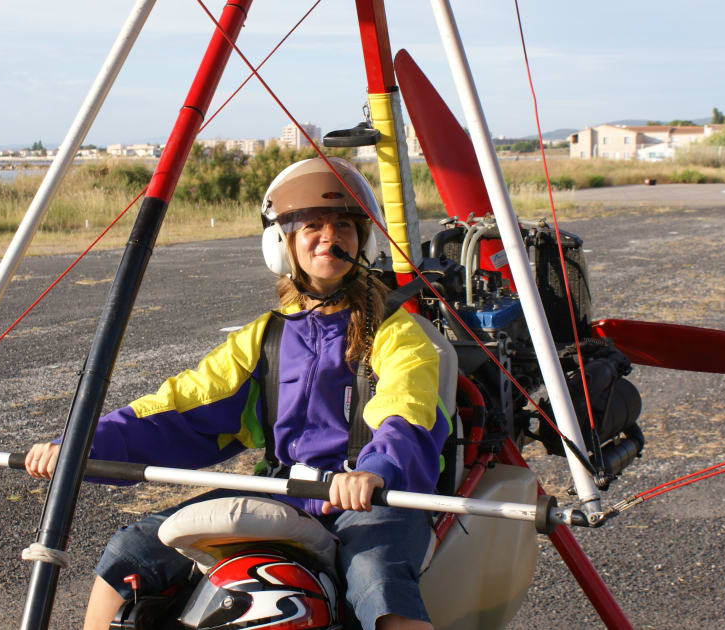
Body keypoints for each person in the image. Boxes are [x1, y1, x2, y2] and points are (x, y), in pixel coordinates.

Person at [25, 157, 448, 630]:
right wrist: (83, 446)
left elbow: (405, 409)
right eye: (312, 225)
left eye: (344, 226)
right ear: (281, 243)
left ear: (362, 240)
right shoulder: (263, 335)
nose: (330, 237)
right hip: (286, 489)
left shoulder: (395, 333)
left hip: (371, 498)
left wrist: (375, 472)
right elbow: (183, 404)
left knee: (376, 579)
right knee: (133, 550)